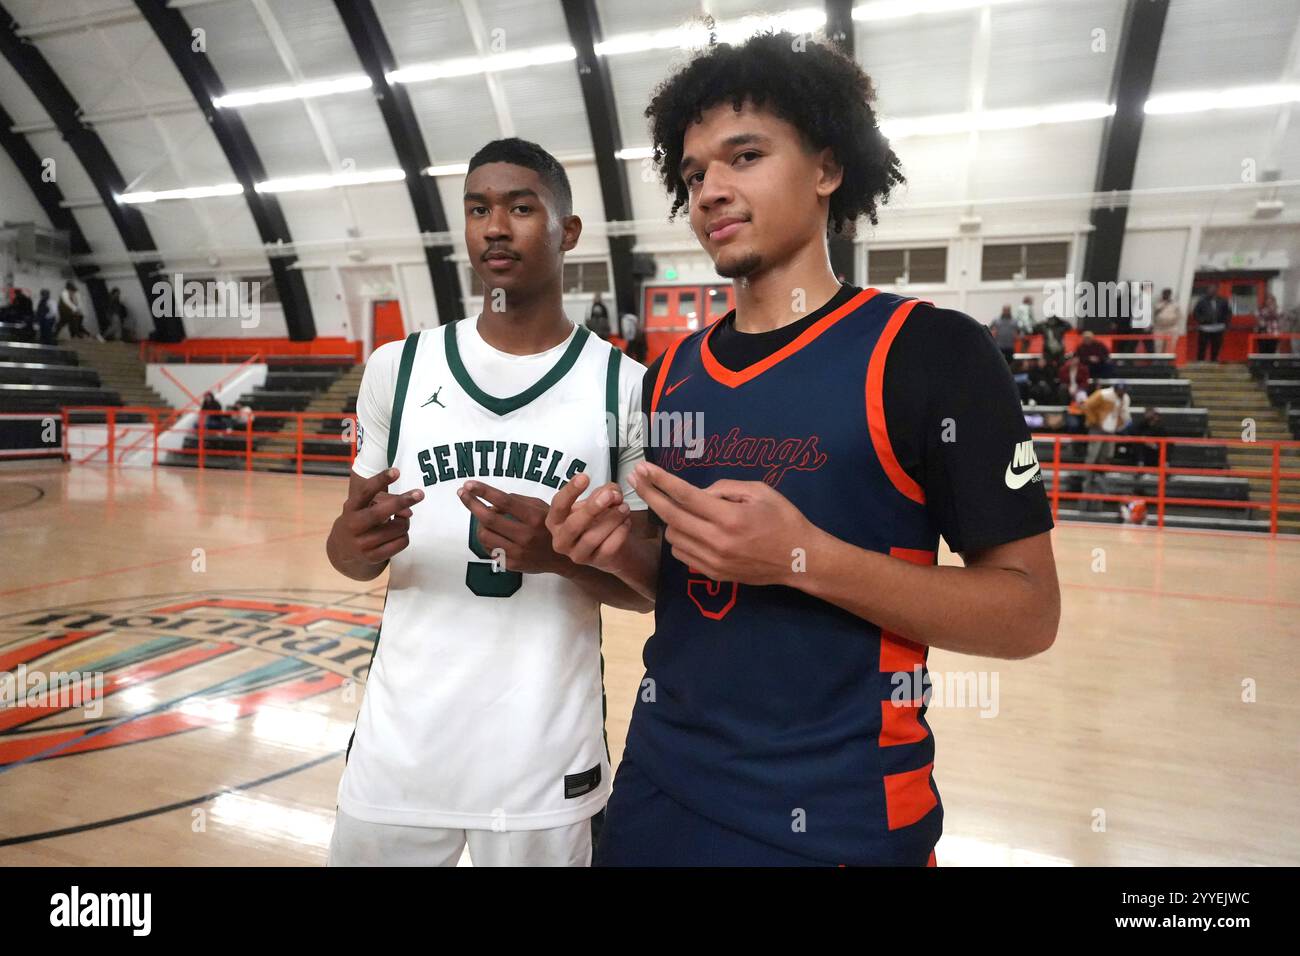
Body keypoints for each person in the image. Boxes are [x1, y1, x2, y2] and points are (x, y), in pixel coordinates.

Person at [547, 30, 1059, 866]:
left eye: (744, 155)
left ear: (827, 168)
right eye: (694, 174)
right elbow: (671, 593)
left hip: (843, 818)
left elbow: (1029, 613)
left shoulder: (931, 351)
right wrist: (598, 554)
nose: (711, 189)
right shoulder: (668, 372)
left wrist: (802, 557)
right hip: (656, 790)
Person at [325, 138, 650, 868]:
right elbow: (349, 555)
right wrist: (350, 545)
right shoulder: (397, 369)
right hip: (398, 755)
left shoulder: (623, 387)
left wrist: (554, 557)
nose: (494, 227)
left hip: (544, 762)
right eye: (478, 209)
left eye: (519, 207)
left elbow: (645, 589)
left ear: (568, 232)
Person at [1081, 380, 1130, 510]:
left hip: (1110, 431)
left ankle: (1099, 487)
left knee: (1105, 460)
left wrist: (1119, 425)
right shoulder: (1103, 394)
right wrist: (1094, 421)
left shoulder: (1125, 399)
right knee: (1092, 458)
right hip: (1098, 428)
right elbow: (1086, 405)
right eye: (1119, 391)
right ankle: (1088, 484)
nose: (1120, 393)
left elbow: (1124, 415)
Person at [1192, 288, 1230, 362]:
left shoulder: (1223, 301)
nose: (1211, 293)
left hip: (1218, 327)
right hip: (1205, 328)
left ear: (1216, 292)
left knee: (1216, 345)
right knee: (1202, 345)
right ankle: (1200, 360)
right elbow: (1196, 313)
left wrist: (1225, 322)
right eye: (1209, 291)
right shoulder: (1202, 301)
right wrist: (1201, 320)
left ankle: (1214, 359)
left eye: (1213, 291)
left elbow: (1228, 312)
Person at [1152, 288, 1182, 352]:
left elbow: (1179, 315)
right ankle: (1157, 360)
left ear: (1170, 295)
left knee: (1170, 346)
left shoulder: (1175, 304)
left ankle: (1167, 361)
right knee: (1158, 345)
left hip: (1171, 328)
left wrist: (1173, 321)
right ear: (1162, 294)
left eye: (1168, 294)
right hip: (1159, 328)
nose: (1166, 295)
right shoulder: (1157, 303)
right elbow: (1154, 314)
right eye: (1165, 294)